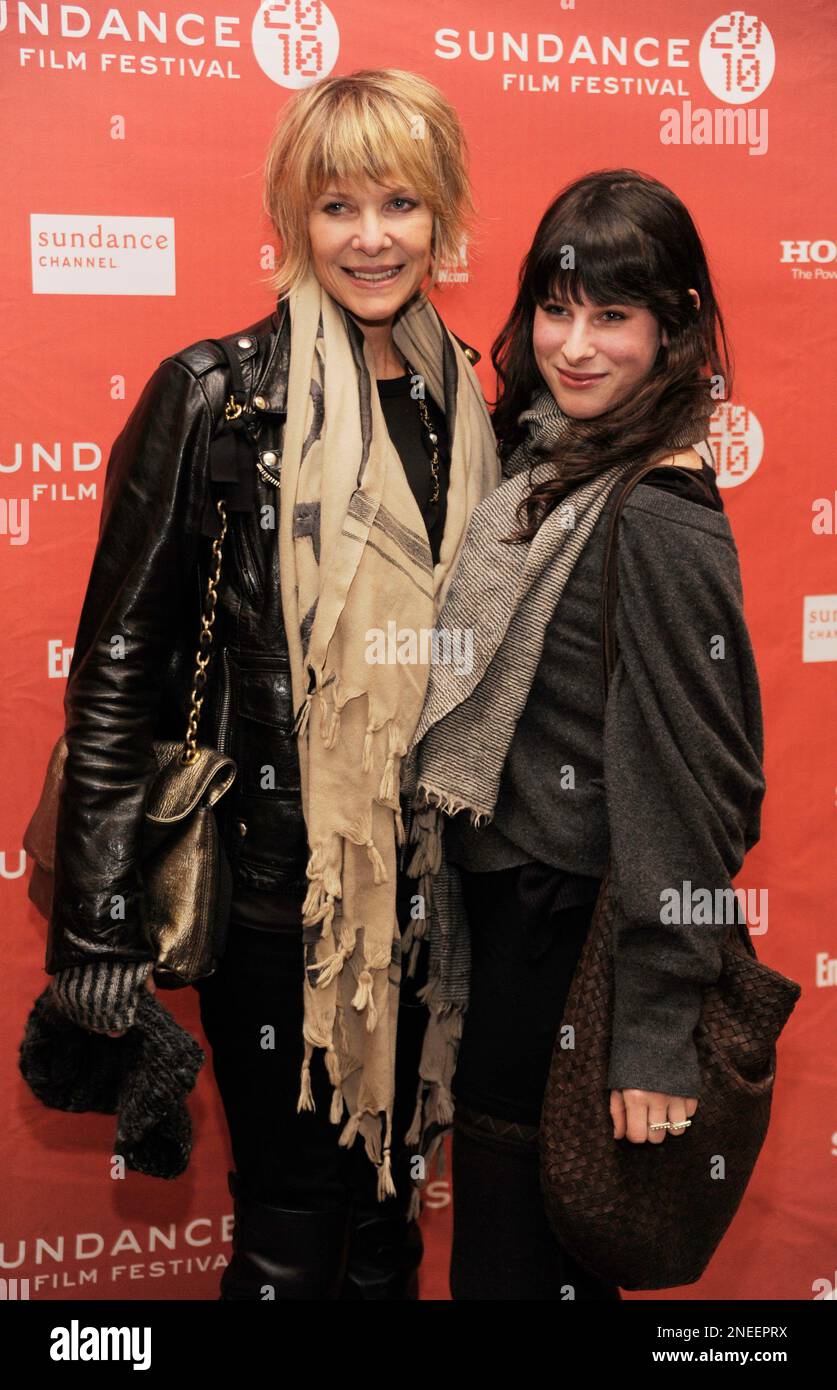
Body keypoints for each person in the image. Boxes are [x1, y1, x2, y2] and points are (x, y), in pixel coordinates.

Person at [42, 68, 500, 1299]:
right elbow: (118, 669)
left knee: (391, 1224)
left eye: (400, 203)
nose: (370, 237)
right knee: (291, 1228)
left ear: (442, 215)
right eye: (337, 203)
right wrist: (95, 926)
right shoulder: (214, 396)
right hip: (274, 897)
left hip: (435, 895)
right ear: (295, 216)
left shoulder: (474, 404)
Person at [402, 168, 766, 1300]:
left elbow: (702, 795)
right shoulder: (549, 464)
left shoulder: (657, 511)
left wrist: (652, 1033)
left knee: (524, 1271)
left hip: (580, 962)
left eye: (614, 315)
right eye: (558, 309)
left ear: (675, 330)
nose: (576, 345)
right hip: (513, 938)